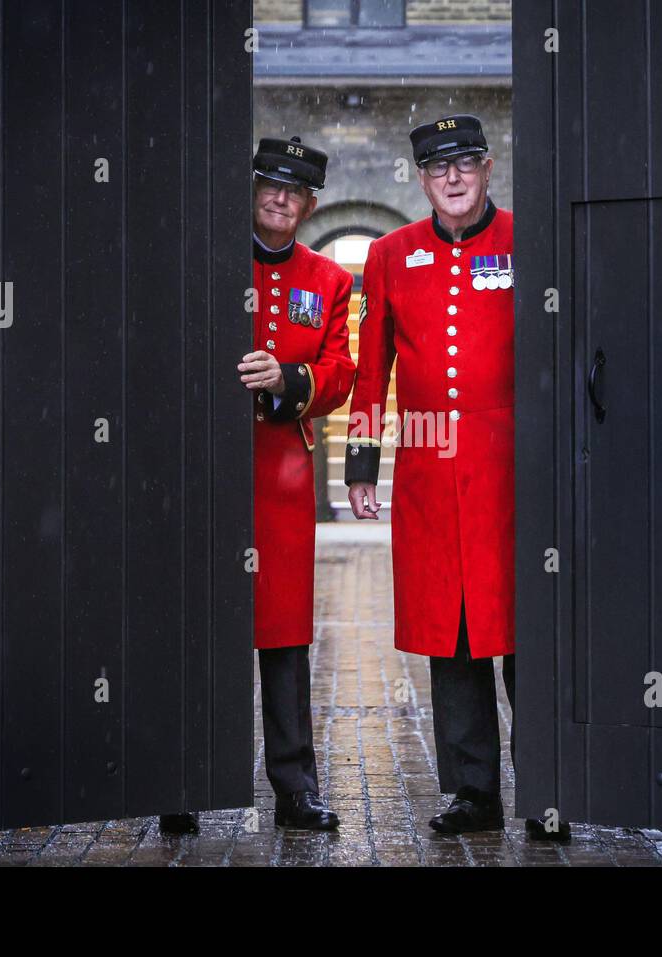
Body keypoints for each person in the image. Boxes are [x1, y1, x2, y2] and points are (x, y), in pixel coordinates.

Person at [345, 114, 568, 841]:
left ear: (487, 167)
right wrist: (360, 461)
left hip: (514, 466)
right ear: (421, 178)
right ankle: (473, 792)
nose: (454, 177)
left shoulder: (528, 241)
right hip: (429, 474)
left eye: (466, 163)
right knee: (456, 633)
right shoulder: (389, 253)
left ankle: (548, 789)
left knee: (530, 634)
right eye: (439, 168)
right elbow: (371, 366)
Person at [159, 135, 354, 835]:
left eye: (294, 190)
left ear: (309, 203)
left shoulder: (329, 281)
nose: (280, 197)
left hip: (281, 477)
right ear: (253, 189)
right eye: (270, 184)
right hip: (208, 468)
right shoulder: (210, 258)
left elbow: (340, 372)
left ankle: (295, 787)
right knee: (200, 627)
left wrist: (289, 381)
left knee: (283, 635)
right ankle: (182, 777)